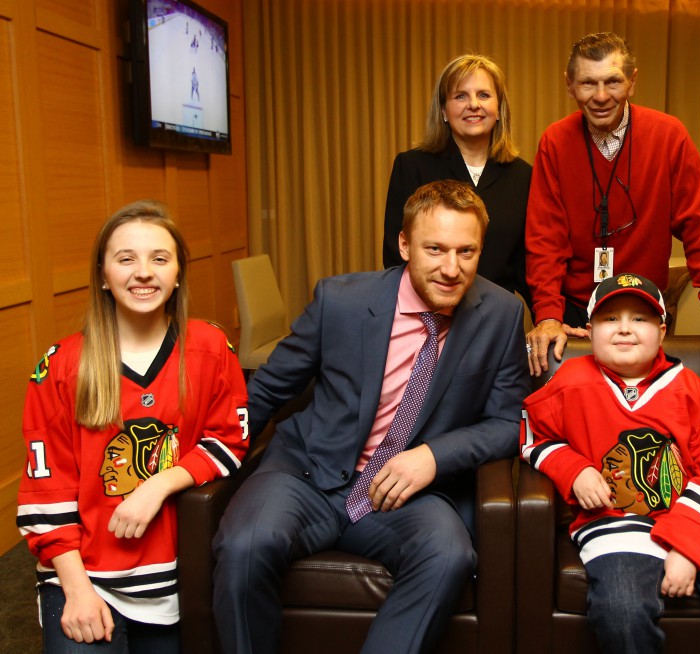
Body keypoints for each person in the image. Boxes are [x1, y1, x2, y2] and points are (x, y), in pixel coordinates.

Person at [213, 180, 531, 654]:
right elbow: (268, 389)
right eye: (435, 249)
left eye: (467, 252)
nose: (451, 268)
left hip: (406, 493)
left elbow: (509, 423)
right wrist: (202, 458)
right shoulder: (339, 300)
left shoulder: (502, 313)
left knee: (449, 554)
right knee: (244, 546)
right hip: (307, 473)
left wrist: (432, 457)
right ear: (404, 245)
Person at [17, 200, 249, 652]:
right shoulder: (62, 365)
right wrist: (77, 592)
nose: (143, 272)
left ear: (178, 272)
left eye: (159, 258)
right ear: (103, 275)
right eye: (126, 259)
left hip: (174, 581)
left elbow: (228, 441)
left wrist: (157, 485)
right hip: (84, 578)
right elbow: (46, 496)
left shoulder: (211, 348)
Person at [521, 272, 700, 653]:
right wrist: (573, 468)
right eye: (610, 319)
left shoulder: (690, 388)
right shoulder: (569, 381)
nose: (625, 329)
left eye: (640, 319)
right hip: (616, 522)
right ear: (589, 330)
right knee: (621, 611)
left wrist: (686, 545)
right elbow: (534, 435)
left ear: (662, 332)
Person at [525, 32, 700, 377]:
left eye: (613, 82)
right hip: (577, 312)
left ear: (632, 82)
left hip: (645, 304)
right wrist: (548, 315)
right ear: (569, 85)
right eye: (588, 83)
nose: (602, 96)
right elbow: (544, 238)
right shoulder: (555, 141)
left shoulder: (669, 135)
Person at [382, 54, 532, 303]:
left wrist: (548, 320)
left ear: (498, 110)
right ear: (443, 110)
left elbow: (527, 266)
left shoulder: (524, 176)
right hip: (429, 317)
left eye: (483, 95)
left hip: (496, 320)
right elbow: (395, 258)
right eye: (460, 96)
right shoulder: (411, 166)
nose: (473, 104)